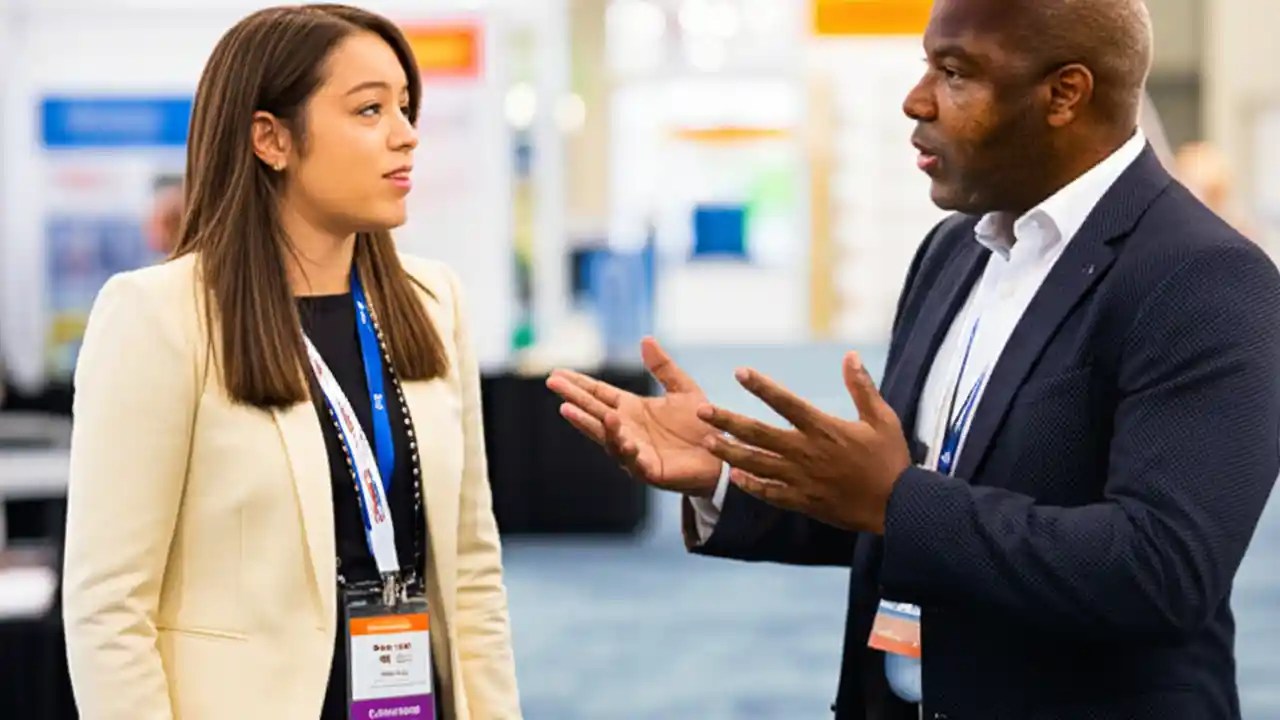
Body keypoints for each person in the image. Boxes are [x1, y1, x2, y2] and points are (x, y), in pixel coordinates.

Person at [548, 0, 1280, 718]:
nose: (915, 99)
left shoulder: (1205, 277)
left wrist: (897, 500)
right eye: (926, 64)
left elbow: (1162, 568)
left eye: (955, 73)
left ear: (1064, 94)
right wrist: (730, 473)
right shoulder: (955, 251)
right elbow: (898, 499)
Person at [61, 6, 520, 719]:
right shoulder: (158, 315)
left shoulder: (434, 303)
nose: (406, 135)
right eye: (370, 110)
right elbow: (108, 609)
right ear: (271, 139)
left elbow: (472, 572)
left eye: (406, 108)